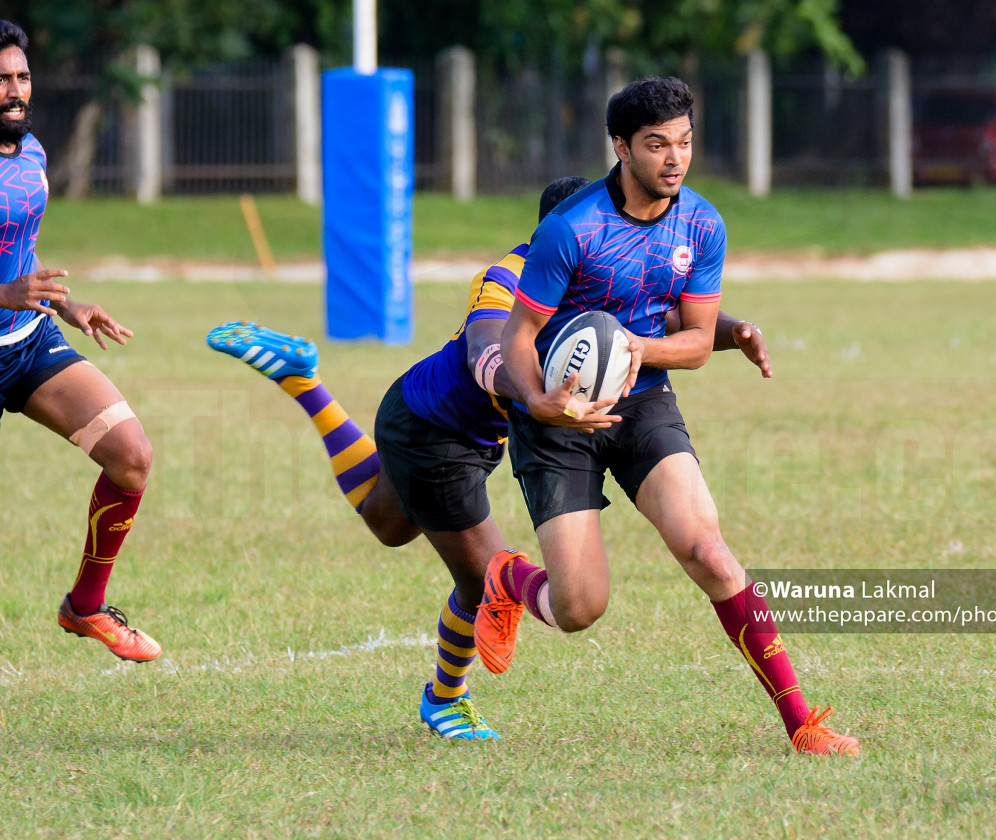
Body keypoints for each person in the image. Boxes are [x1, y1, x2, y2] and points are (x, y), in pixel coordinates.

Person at [207, 176, 771, 741]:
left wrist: (734, 331)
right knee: (480, 577)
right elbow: (486, 348)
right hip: (436, 430)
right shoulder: (508, 277)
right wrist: (532, 397)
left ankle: (305, 382)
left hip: (465, 432)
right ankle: (445, 699)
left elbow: (664, 318)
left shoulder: (597, 279)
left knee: (388, 522)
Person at [480, 76, 859, 756]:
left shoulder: (703, 223)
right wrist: (540, 402)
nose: (674, 159)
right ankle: (509, 577)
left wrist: (640, 348)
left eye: (684, 143)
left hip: (645, 400)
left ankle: (802, 723)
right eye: (657, 145)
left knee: (710, 550)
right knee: (579, 608)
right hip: (556, 421)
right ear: (621, 147)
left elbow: (693, 339)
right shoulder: (570, 228)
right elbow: (518, 336)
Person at [0, 21, 159, 662]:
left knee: (132, 456)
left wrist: (68, 305)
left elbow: (23, 258)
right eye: (2, 80)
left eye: (22, 77)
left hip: (27, 343)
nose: (16, 91)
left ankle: (85, 607)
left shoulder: (31, 153)